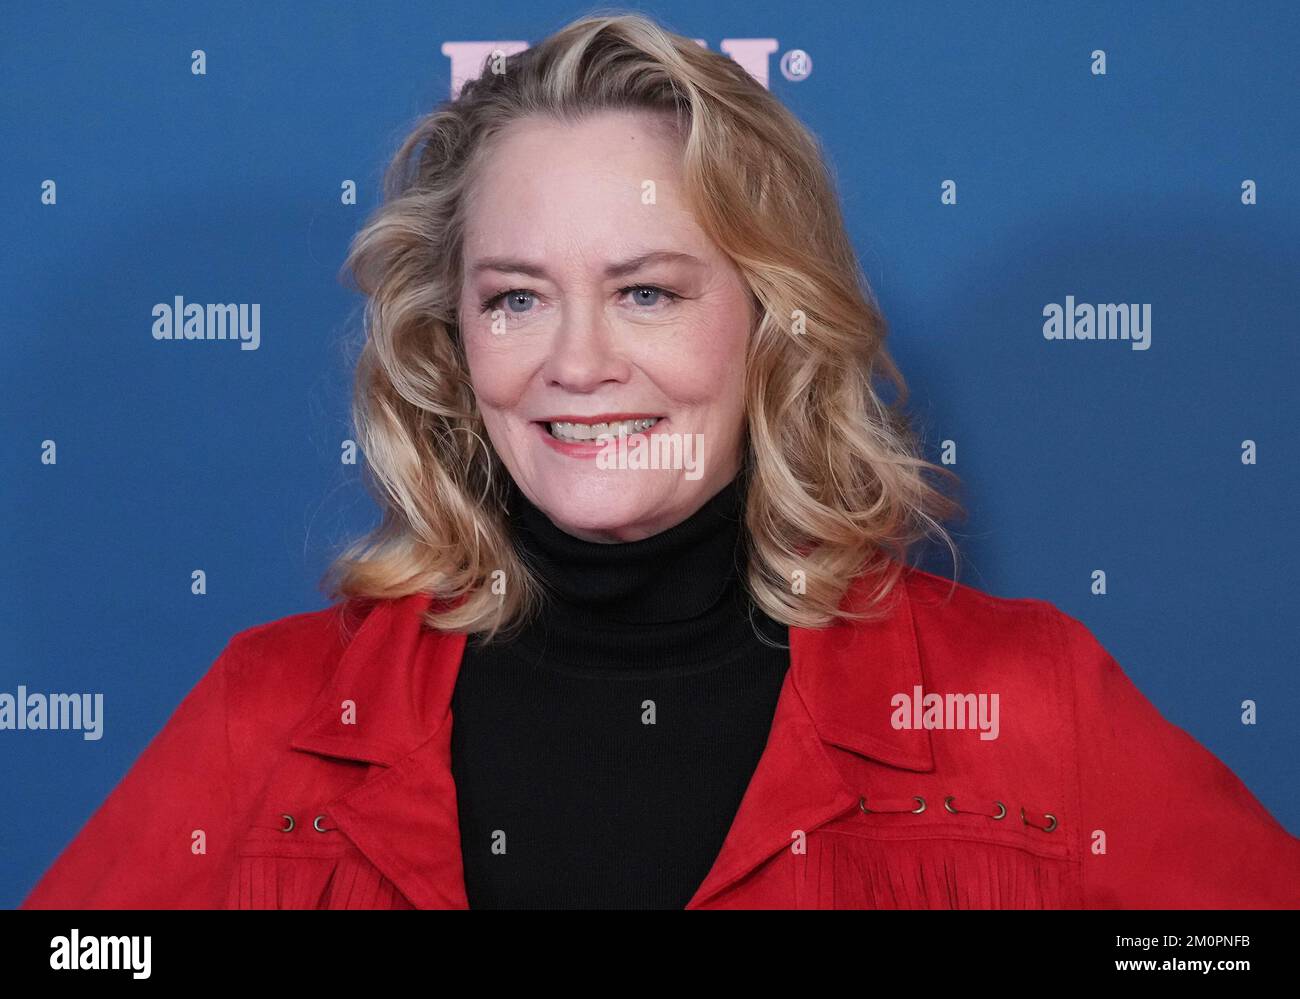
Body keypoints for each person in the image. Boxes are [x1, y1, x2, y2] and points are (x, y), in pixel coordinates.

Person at [21, 12, 1300, 910]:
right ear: (450, 337)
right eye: (516, 298)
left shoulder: (1026, 707)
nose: (576, 364)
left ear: (771, 318)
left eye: (644, 292)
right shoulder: (274, 716)